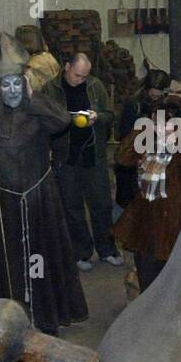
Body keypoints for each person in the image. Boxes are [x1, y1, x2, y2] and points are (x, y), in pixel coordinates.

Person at [0, 33, 88, 334]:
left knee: (42, 258)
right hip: (3, 201)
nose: (11, 90)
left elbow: (62, 122)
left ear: (25, 83)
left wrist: (34, 99)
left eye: (16, 83)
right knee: (8, 262)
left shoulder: (38, 108)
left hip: (39, 198)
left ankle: (46, 315)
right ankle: (9, 318)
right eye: (5, 84)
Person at [113, 91, 181, 293]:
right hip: (146, 224)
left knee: (177, 286)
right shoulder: (148, 137)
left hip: (177, 225)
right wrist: (144, 128)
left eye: (169, 124)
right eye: (160, 121)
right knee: (148, 284)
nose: (164, 129)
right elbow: (122, 158)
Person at [41, 51, 120, 271]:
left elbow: (110, 115)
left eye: (84, 76)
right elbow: (44, 120)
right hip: (65, 158)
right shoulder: (50, 89)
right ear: (66, 67)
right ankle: (81, 252)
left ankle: (107, 249)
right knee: (72, 207)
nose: (80, 80)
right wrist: (64, 120)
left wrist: (97, 117)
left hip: (93, 157)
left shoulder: (95, 86)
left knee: (102, 205)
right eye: (77, 75)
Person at [115, 68, 172, 215]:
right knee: (131, 208)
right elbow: (124, 135)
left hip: (154, 162)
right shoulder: (134, 104)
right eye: (152, 94)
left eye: (158, 95)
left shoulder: (165, 105)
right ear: (146, 90)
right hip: (134, 164)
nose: (155, 97)